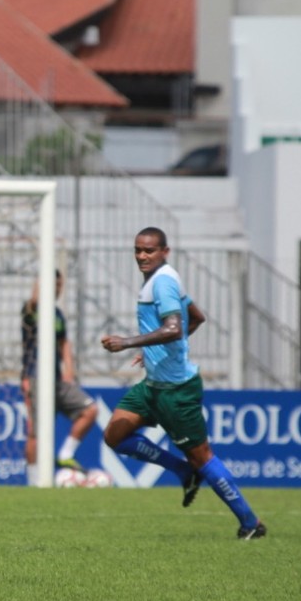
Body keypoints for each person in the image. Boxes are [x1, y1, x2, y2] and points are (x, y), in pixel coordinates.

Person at [100, 227, 266, 540]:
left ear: (165, 251)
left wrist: (129, 343)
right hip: (153, 386)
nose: (141, 256)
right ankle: (181, 471)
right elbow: (197, 317)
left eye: (149, 250)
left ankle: (251, 523)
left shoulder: (162, 282)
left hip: (176, 391)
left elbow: (175, 327)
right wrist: (152, 352)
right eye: (137, 250)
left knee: (202, 457)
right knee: (115, 434)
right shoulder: (164, 278)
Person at [21, 269, 99, 481]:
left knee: (90, 410)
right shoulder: (31, 309)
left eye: (59, 285)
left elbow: (64, 343)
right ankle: (34, 479)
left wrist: (69, 372)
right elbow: (35, 301)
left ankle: (65, 455)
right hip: (35, 378)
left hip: (56, 380)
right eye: (53, 284)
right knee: (35, 433)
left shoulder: (57, 314)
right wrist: (41, 282)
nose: (56, 288)